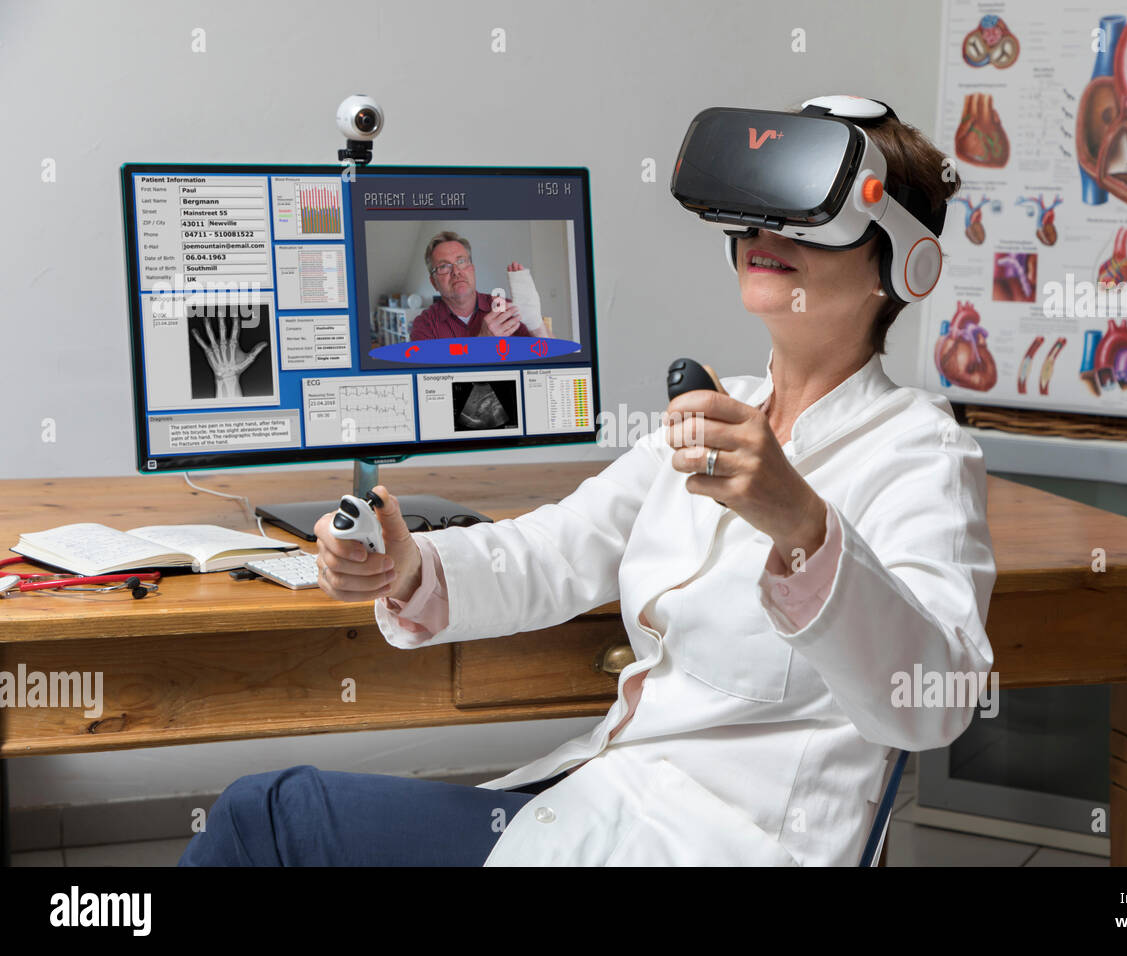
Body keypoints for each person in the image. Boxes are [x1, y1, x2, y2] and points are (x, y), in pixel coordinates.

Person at [180, 108, 996, 867]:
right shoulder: (720, 408)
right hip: (605, 801)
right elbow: (557, 547)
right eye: (760, 211)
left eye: (809, 214)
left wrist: (805, 528)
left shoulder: (920, 453)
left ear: (903, 263)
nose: (765, 233)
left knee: (267, 819)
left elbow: (933, 704)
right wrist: (410, 565)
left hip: (722, 844)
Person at [407, 231, 539, 340]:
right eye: (443, 266)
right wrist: (482, 342)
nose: (456, 272)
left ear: (472, 268)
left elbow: (547, 357)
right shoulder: (424, 326)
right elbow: (433, 372)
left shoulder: (504, 308)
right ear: (433, 282)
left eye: (461, 261)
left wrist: (535, 323)